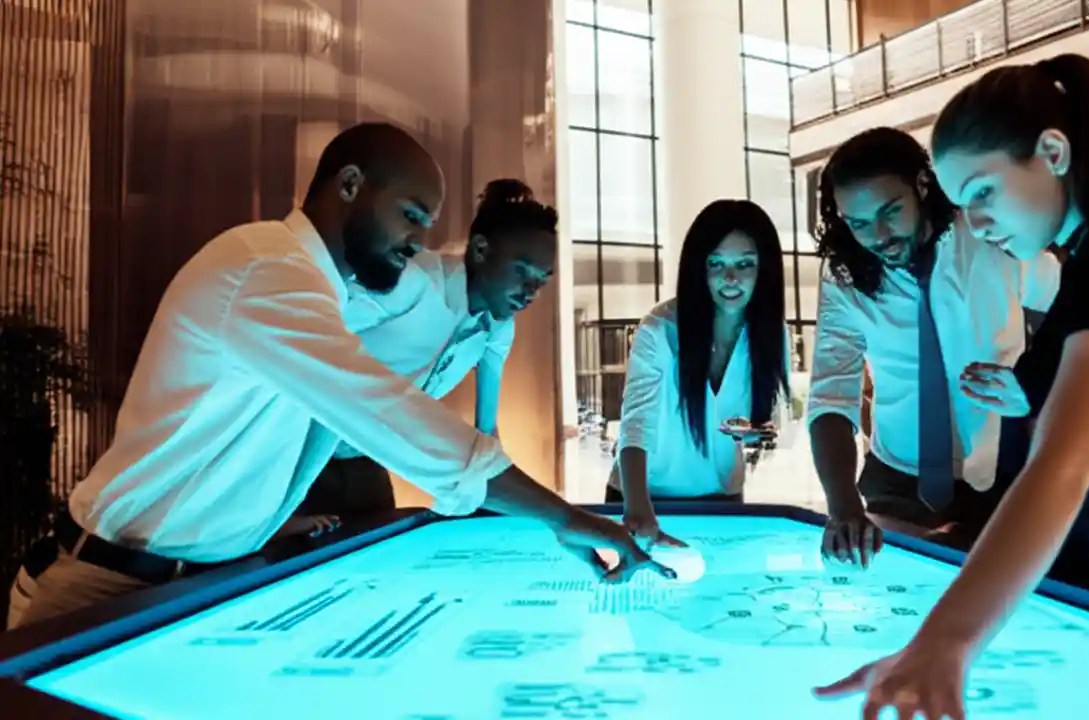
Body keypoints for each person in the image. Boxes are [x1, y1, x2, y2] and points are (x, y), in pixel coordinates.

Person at [7, 123, 666, 630]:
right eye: (410, 216)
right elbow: (380, 406)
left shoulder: (321, 290)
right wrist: (563, 517)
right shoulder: (266, 269)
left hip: (200, 575)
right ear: (349, 184)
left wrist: (264, 521)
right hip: (102, 585)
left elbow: (317, 417)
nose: (417, 242)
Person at [814, 54, 1089, 719]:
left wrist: (944, 641)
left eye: (982, 193)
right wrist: (1025, 394)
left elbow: (1063, 471)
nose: (972, 223)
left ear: (1053, 152)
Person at [807, 127, 1059, 567]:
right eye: (859, 223)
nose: (879, 235)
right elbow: (831, 396)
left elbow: (1072, 305)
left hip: (1001, 476)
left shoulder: (988, 234)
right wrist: (843, 505)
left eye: (891, 212)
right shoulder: (844, 277)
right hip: (894, 480)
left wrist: (1036, 380)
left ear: (922, 186)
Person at [290, 178, 558, 523]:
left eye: (543, 278)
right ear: (480, 250)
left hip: (364, 454)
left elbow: (486, 431)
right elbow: (308, 337)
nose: (531, 290)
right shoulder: (414, 282)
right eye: (521, 270)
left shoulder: (498, 327)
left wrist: (494, 501)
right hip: (294, 446)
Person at [609, 199, 790, 549]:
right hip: (642, 496)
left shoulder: (770, 333)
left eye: (745, 264)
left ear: (764, 269)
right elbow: (635, 423)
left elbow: (757, 420)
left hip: (721, 496)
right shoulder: (659, 329)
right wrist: (638, 508)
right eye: (716, 263)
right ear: (699, 269)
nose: (730, 277)